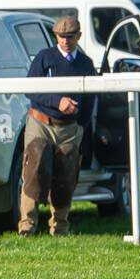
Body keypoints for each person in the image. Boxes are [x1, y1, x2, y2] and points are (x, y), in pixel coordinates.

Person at [21, 14, 97, 237]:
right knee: (34, 167)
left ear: (79, 36)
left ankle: (60, 227)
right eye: (61, 36)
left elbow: (90, 99)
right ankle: (27, 225)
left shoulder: (86, 63)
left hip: (70, 127)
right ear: (55, 36)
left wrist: (80, 125)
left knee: (66, 174)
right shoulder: (44, 58)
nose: (65, 40)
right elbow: (31, 89)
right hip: (40, 121)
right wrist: (58, 101)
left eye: (70, 36)